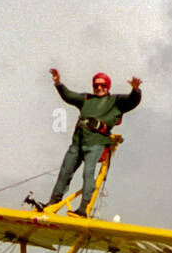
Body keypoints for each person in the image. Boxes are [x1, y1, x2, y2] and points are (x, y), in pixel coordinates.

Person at [46, 68, 141, 217]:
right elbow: (69, 96)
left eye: (102, 85)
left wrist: (135, 90)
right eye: (96, 85)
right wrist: (58, 83)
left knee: (88, 174)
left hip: (96, 143)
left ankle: (83, 209)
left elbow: (132, 101)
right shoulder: (86, 99)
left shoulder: (114, 101)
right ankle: (52, 204)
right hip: (77, 142)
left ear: (107, 87)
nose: (99, 88)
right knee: (65, 172)